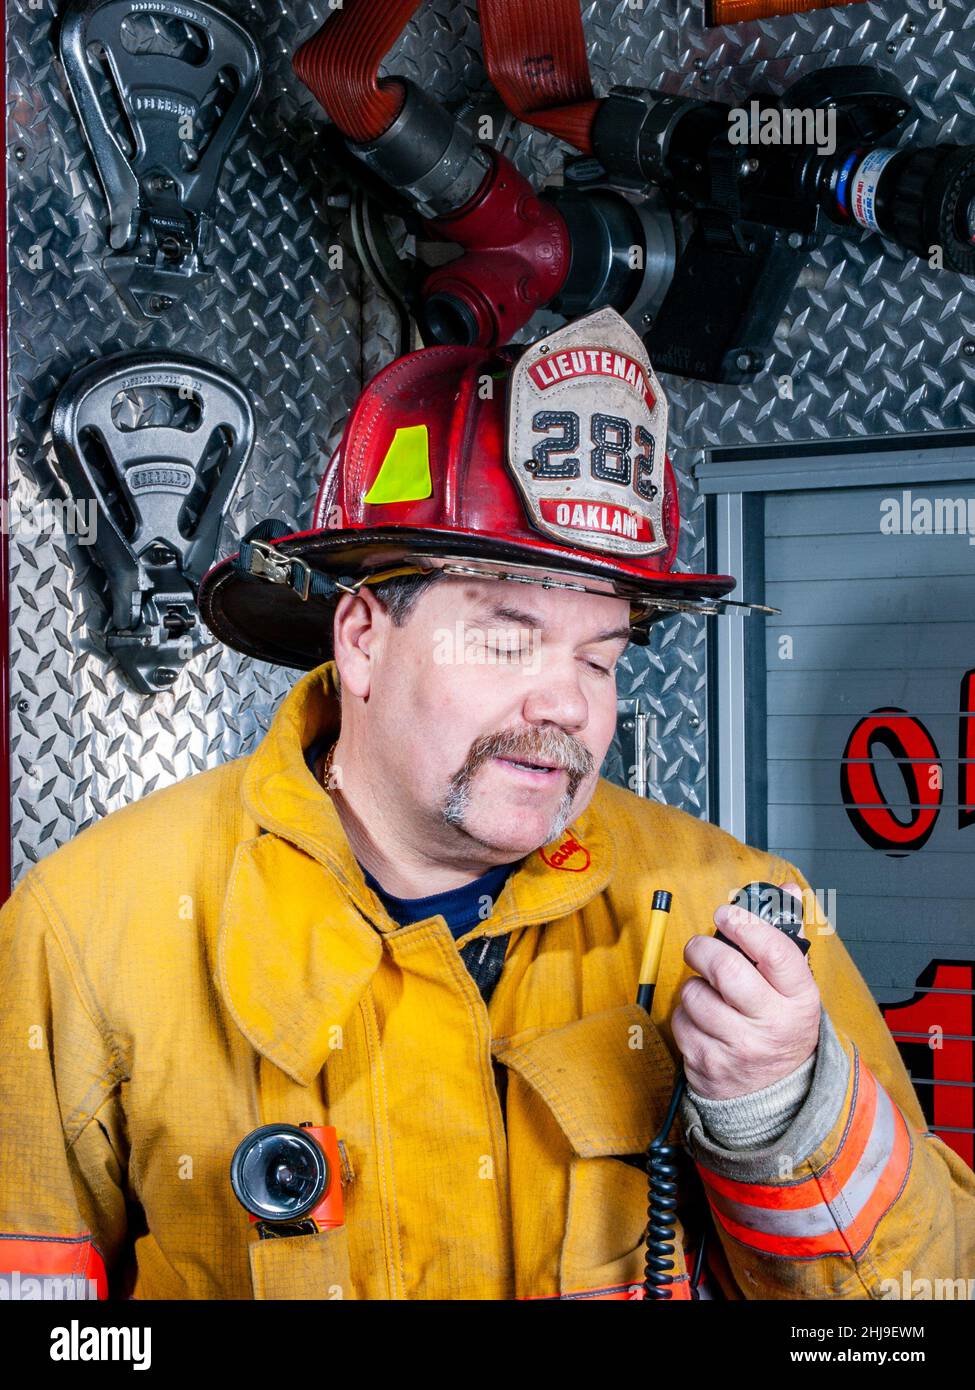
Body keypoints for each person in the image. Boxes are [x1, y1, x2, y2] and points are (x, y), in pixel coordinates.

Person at [1, 309, 972, 1300]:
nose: (568, 705)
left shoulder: (734, 920)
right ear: (363, 637)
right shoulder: (90, 929)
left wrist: (783, 1119)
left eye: (599, 658)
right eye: (507, 640)